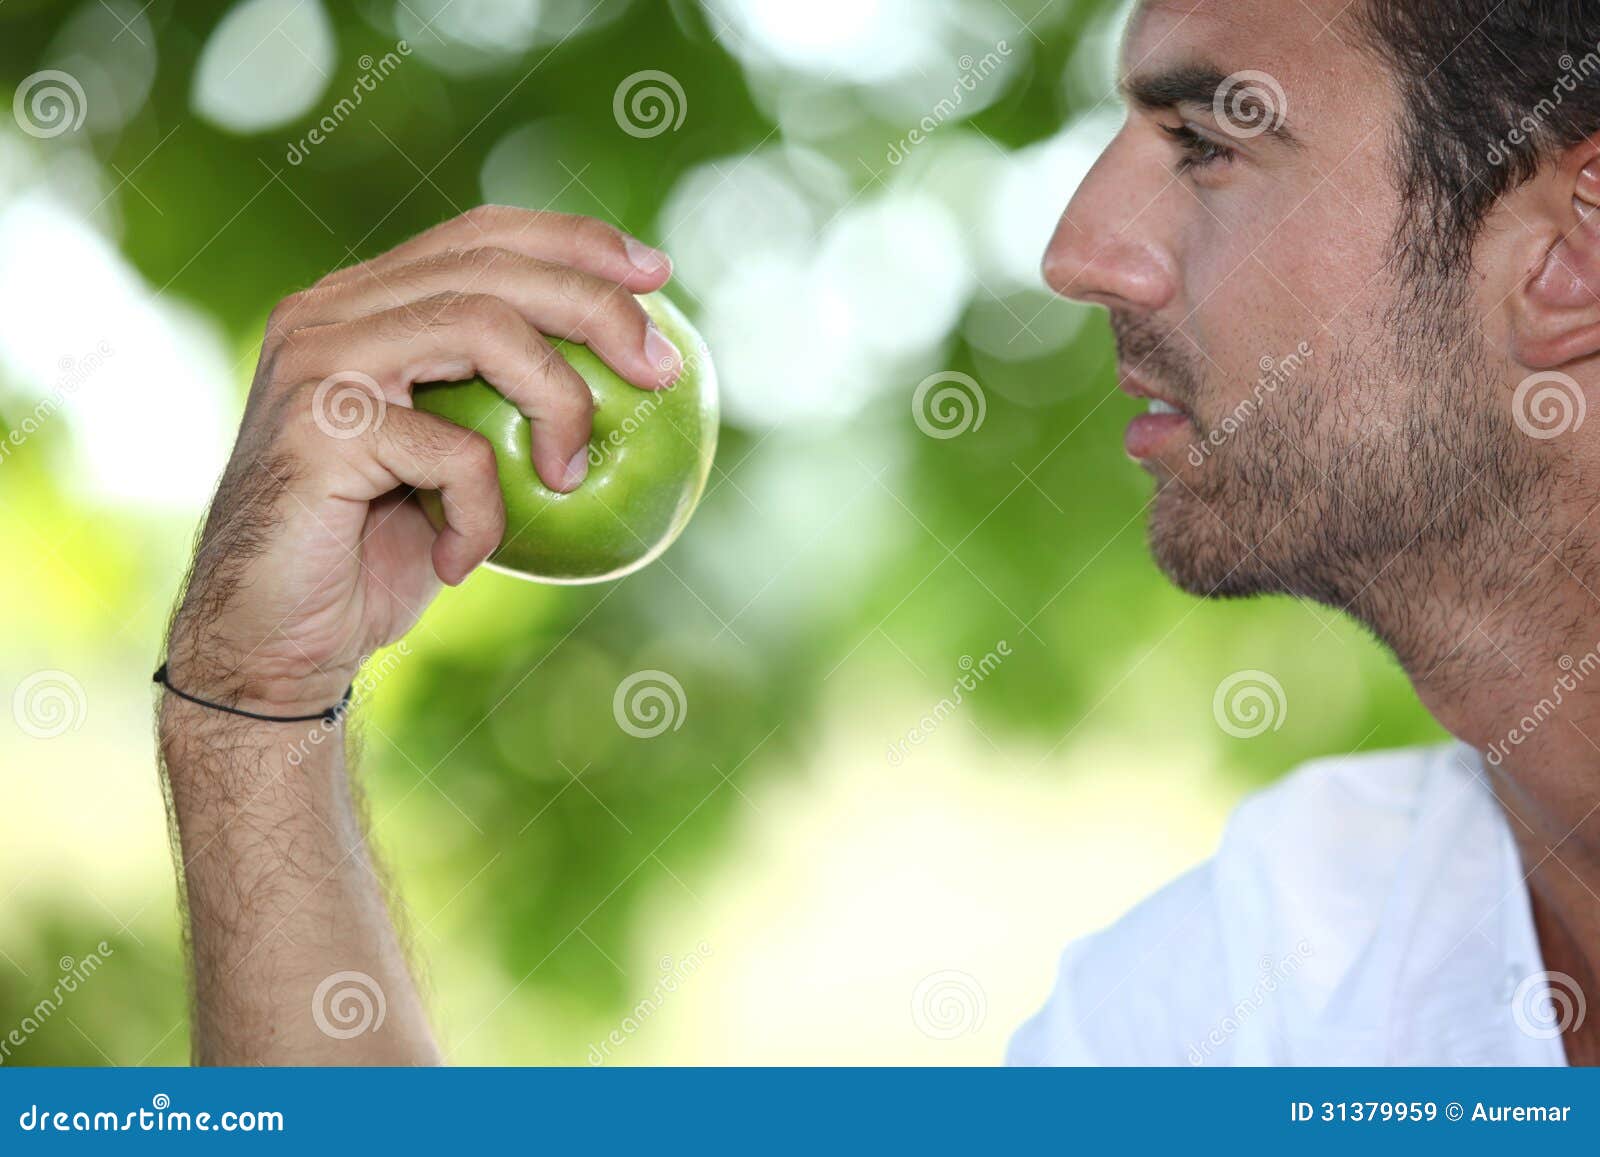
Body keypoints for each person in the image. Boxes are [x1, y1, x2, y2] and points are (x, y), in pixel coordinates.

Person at [155, 0, 1600, 1066]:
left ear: (1570, 256)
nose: (1078, 251)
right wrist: (252, 713)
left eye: (1209, 140)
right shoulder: (1277, 972)